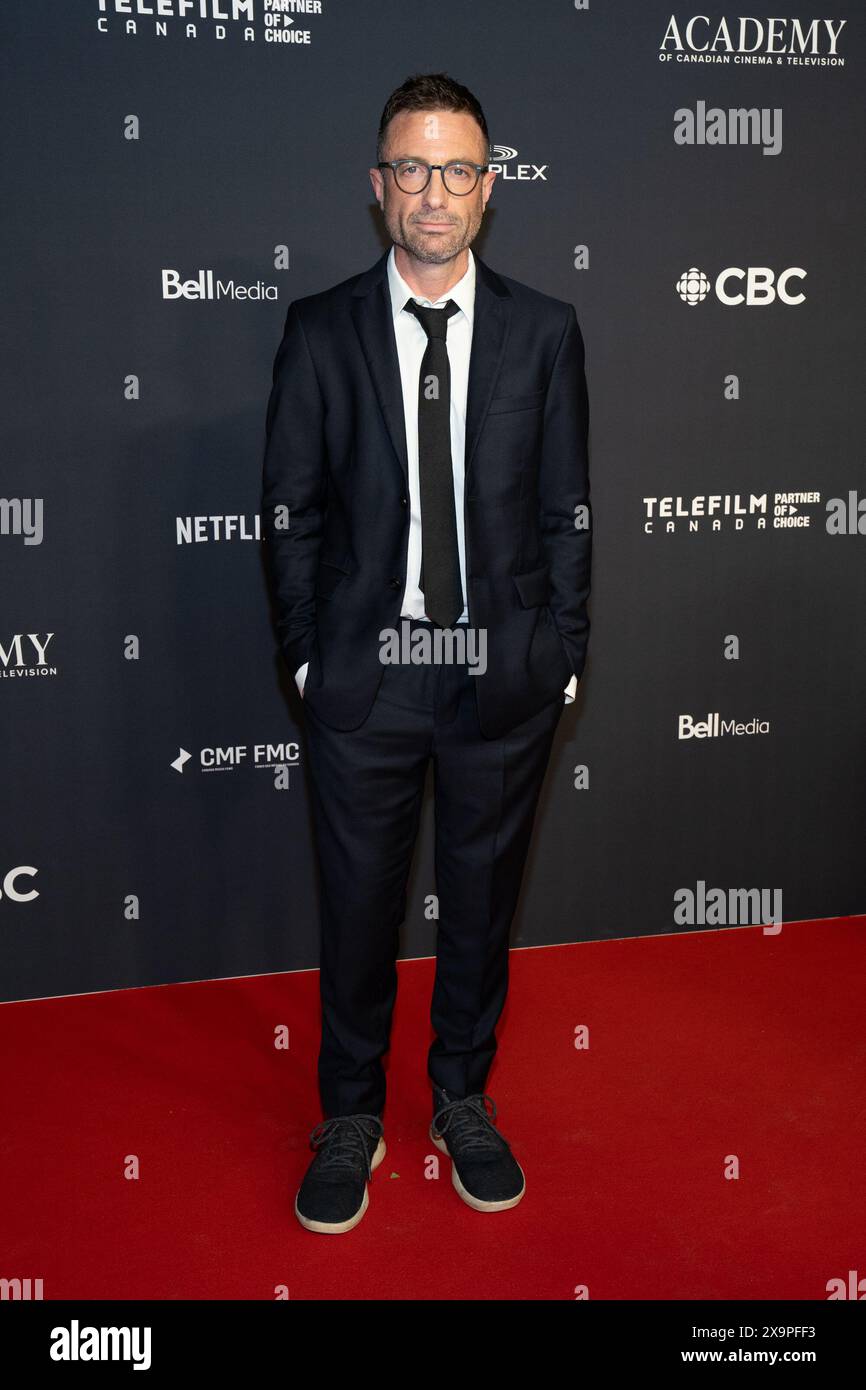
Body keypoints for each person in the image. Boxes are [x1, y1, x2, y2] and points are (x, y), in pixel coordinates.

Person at [261, 71, 592, 1234]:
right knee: (357, 906)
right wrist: (308, 660)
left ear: (488, 189)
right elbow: (289, 511)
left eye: (456, 169)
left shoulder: (545, 331)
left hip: (501, 670)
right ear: (377, 186)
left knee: (482, 902)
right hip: (369, 673)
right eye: (411, 167)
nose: (433, 192)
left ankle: (462, 1095)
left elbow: (565, 510)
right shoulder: (318, 330)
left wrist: (561, 653)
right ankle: (348, 1112)